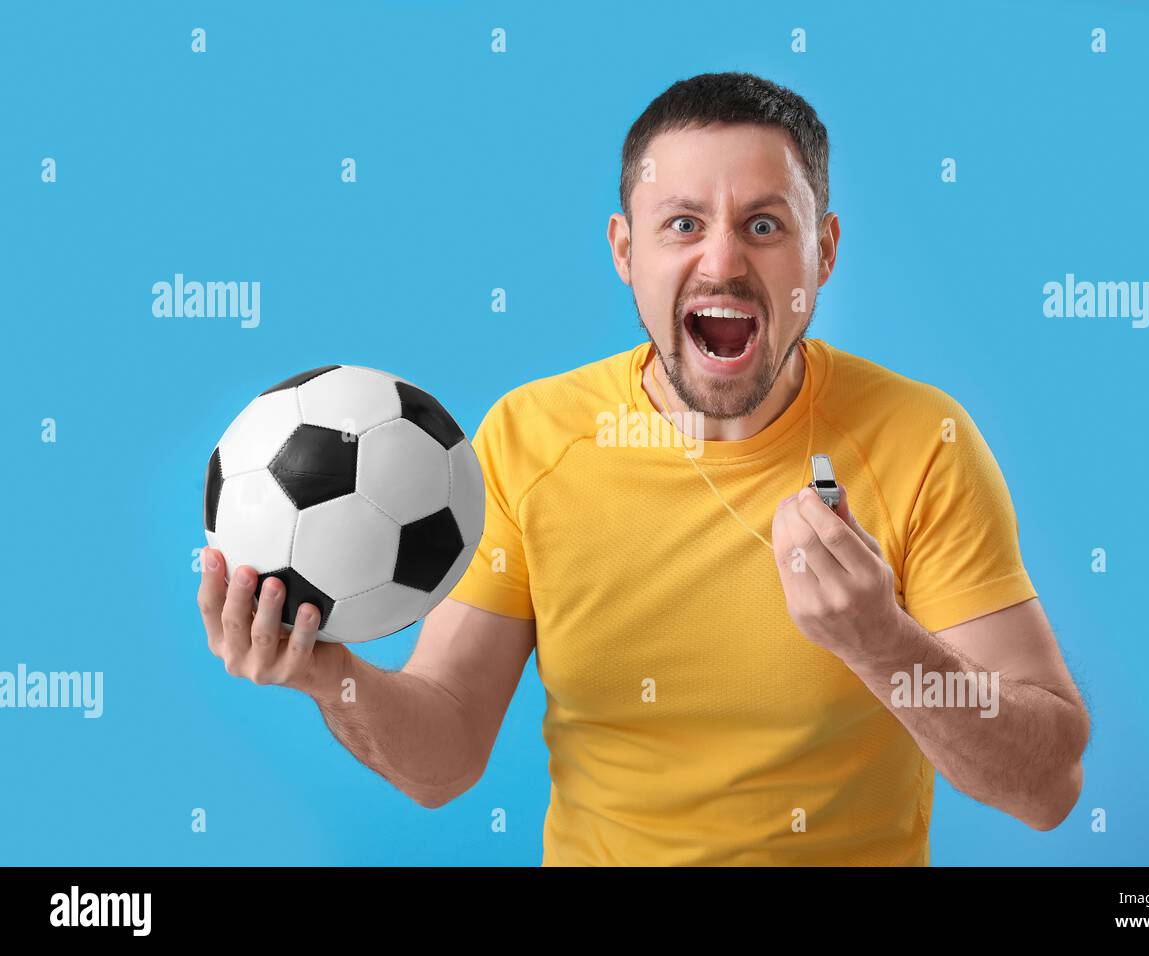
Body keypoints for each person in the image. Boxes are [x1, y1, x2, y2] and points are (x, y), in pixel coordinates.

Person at [197, 72, 1089, 866]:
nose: (724, 260)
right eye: (684, 225)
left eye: (766, 225)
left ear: (823, 255)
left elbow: (1046, 788)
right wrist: (329, 675)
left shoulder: (918, 438)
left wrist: (878, 641)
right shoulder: (531, 440)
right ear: (627, 250)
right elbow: (446, 759)